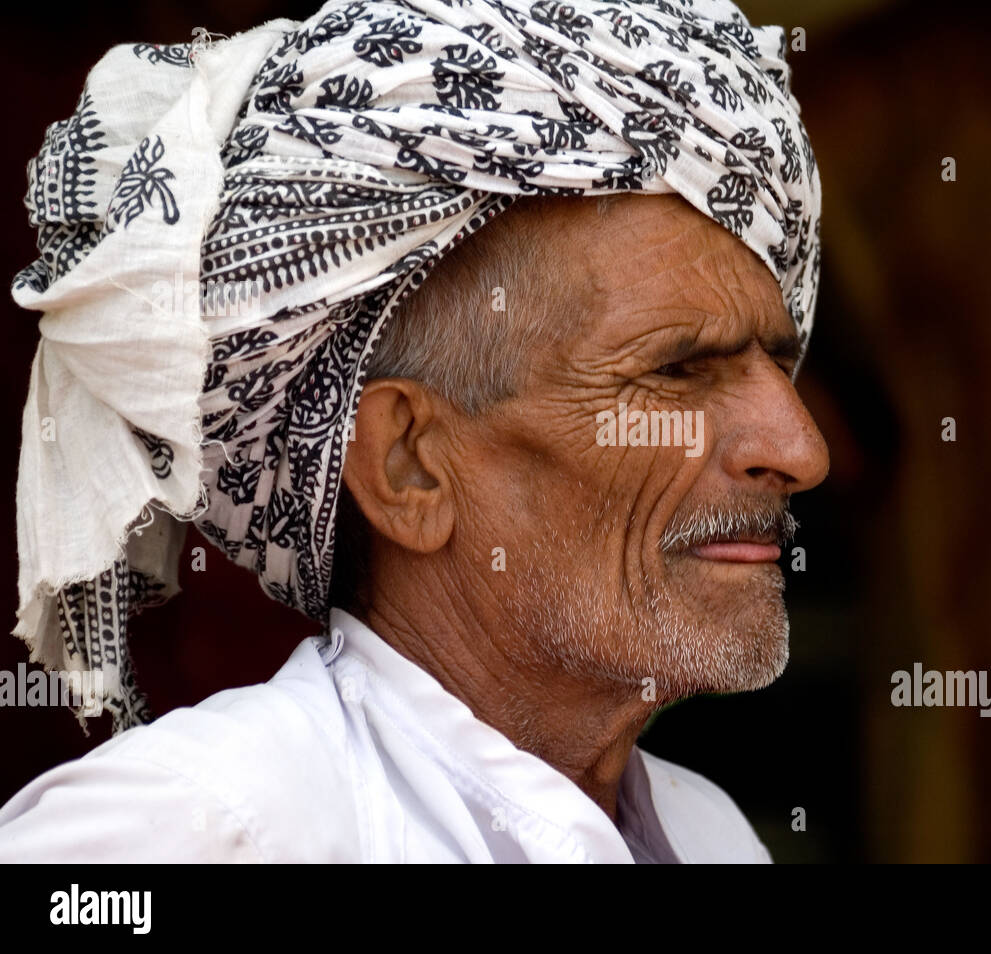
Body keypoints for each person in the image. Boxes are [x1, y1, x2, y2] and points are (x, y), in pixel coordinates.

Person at [0, 0, 826, 862]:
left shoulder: (708, 834)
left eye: (778, 359)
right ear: (409, 465)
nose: (801, 449)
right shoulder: (190, 830)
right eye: (678, 371)